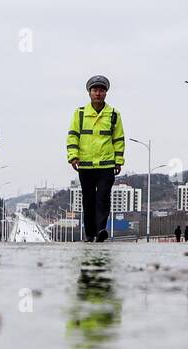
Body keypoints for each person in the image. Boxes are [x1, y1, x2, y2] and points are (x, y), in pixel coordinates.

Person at [67, 75, 125, 242]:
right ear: (89, 93)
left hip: (106, 165)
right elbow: (73, 136)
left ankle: (101, 230)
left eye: (101, 90)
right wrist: (73, 157)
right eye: (95, 90)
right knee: (89, 199)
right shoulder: (80, 114)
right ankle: (90, 233)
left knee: (103, 198)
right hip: (85, 166)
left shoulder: (114, 114)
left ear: (106, 93)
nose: (98, 93)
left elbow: (118, 138)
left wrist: (118, 160)